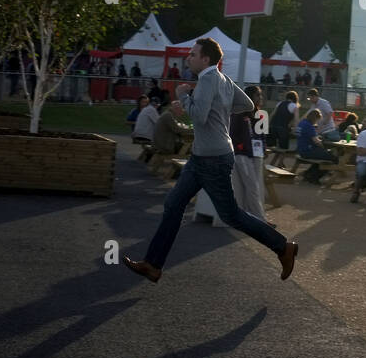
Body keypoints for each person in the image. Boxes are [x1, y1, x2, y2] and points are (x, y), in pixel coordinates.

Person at [124, 37, 298, 283]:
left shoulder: (206, 78)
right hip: (203, 156)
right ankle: (153, 264)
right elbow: (247, 104)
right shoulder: (223, 79)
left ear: (205, 59)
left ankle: (283, 247)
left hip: (212, 159)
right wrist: (220, 111)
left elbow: (199, 117)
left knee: (231, 215)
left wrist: (184, 95)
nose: (188, 58)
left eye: (192, 54)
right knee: (174, 205)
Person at [230, 85, 269, 222]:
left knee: (255, 186)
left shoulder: (261, 114)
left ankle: (251, 217)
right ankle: (260, 219)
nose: (260, 97)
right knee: (251, 186)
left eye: (261, 95)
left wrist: (263, 148)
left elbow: (263, 135)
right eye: (258, 95)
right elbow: (232, 134)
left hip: (257, 154)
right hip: (242, 155)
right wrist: (241, 147)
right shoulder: (239, 112)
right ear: (250, 96)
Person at [146, 99, 192, 173]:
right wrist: (193, 131)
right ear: (177, 109)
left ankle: (180, 170)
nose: (183, 112)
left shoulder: (167, 114)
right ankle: (181, 171)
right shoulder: (168, 116)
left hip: (158, 143)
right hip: (164, 146)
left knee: (185, 147)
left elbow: (176, 128)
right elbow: (178, 130)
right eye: (181, 110)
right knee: (188, 149)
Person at [296, 107, 335, 184]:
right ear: (315, 118)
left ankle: (308, 173)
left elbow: (308, 136)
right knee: (331, 158)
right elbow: (317, 142)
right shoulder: (309, 126)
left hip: (301, 149)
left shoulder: (302, 123)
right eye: (318, 120)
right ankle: (314, 177)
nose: (317, 122)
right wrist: (324, 147)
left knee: (322, 156)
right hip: (307, 151)